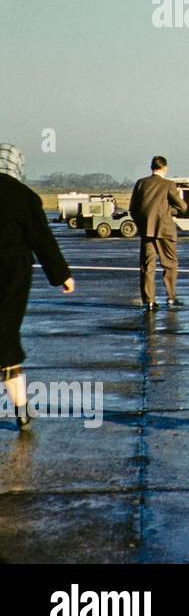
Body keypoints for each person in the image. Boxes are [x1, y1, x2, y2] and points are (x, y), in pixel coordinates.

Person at [0, 144, 74, 431]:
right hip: (11, 275)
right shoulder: (24, 197)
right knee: (6, 338)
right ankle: (21, 409)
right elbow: (42, 241)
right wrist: (61, 275)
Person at [128, 155, 188, 310]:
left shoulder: (141, 183)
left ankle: (149, 300)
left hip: (147, 231)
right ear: (165, 168)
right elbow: (183, 207)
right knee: (170, 264)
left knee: (147, 266)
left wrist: (142, 224)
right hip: (165, 230)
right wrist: (170, 211)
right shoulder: (169, 185)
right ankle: (171, 297)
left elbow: (133, 209)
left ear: (151, 167)